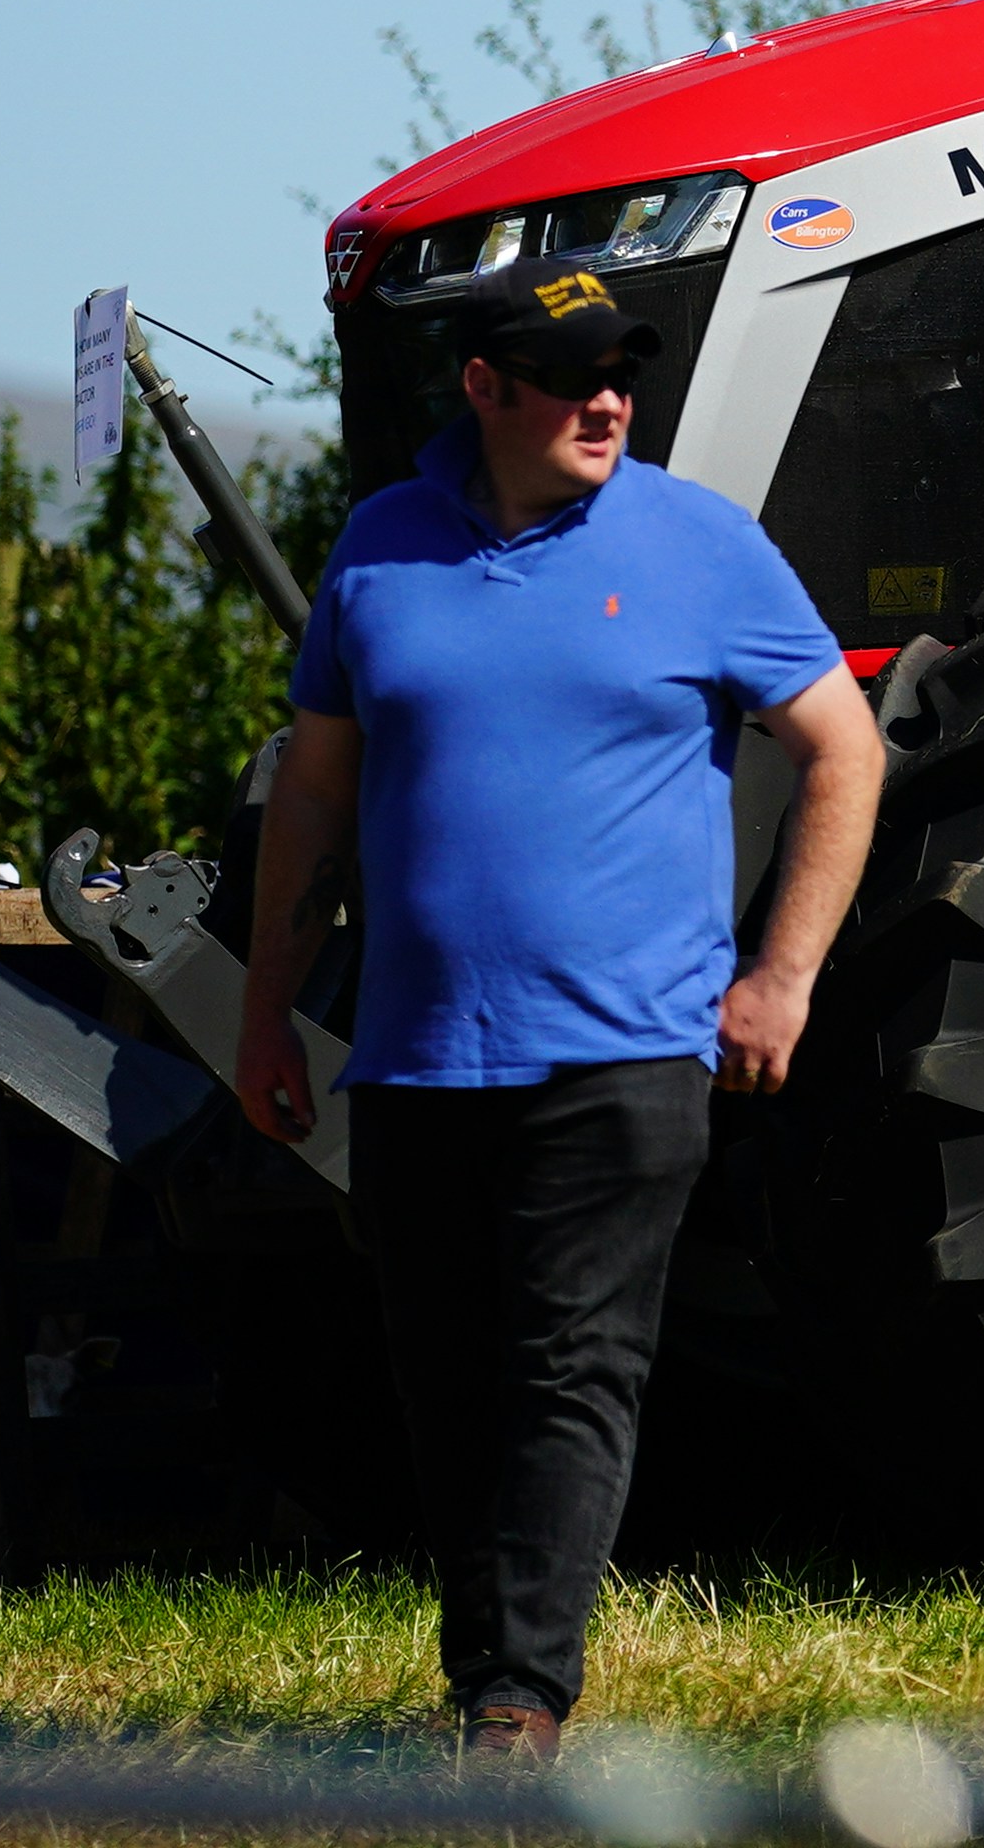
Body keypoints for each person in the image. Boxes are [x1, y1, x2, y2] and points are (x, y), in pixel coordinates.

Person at [237, 263, 879, 1761]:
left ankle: (519, 1694)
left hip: (626, 1056)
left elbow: (843, 750)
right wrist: (271, 1014)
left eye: (621, 374)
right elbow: (312, 798)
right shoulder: (379, 551)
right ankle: (492, 1672)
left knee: (569, 1367)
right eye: (569, 371)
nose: (606, 399)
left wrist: (779, 975)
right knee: (449, 1381)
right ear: (484, 386)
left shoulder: (700, 545)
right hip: (414, 1056)